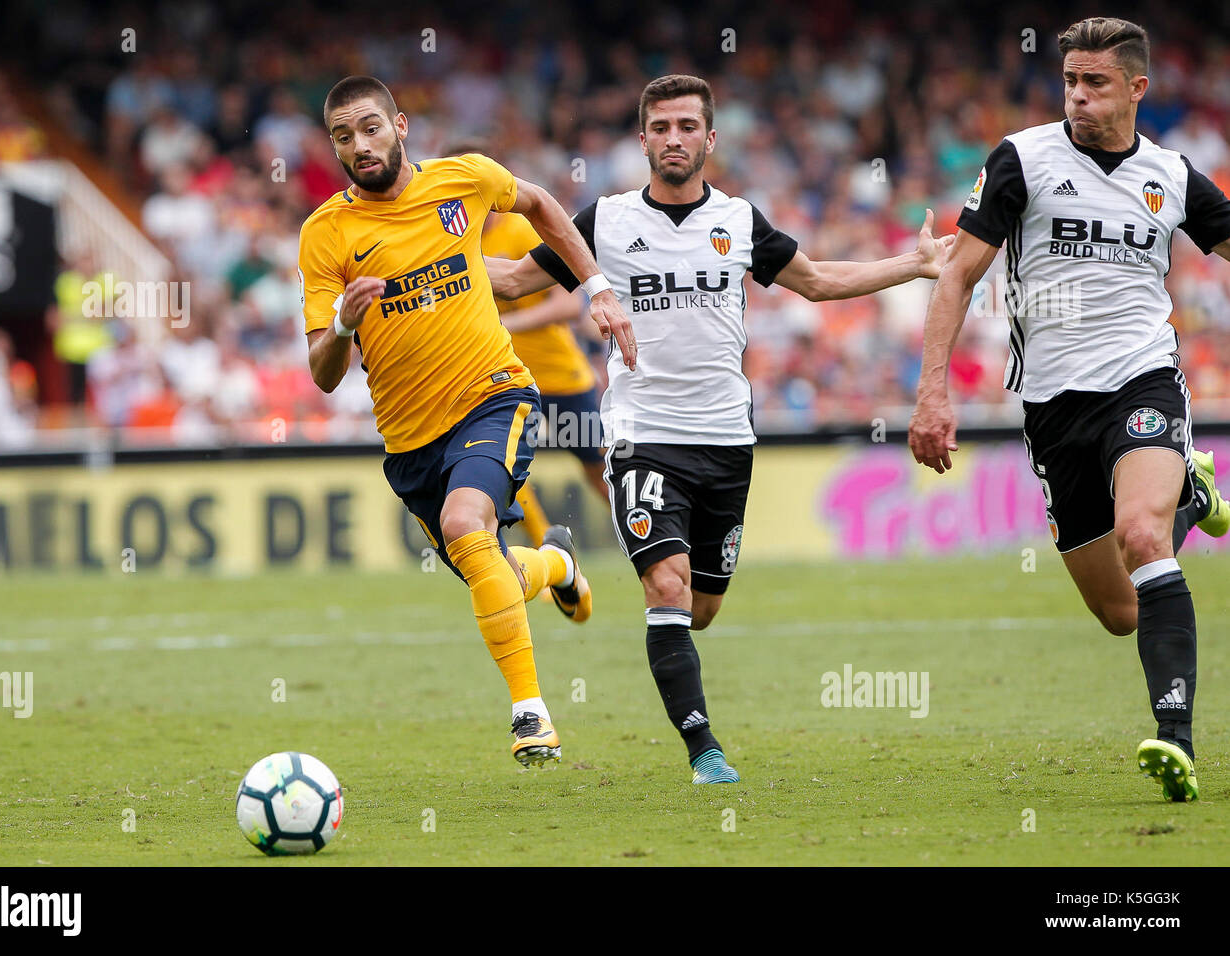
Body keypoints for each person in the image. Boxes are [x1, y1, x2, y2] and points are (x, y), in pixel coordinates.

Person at [489, 74, 952, 783]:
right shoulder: (605, 221)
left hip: (726, 442)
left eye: (686, 127)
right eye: (660, 127)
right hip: (642, 434)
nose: (673, 139)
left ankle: (680, 691)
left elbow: (819, 280)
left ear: (710, 138)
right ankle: (704, 750)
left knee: (700, 608)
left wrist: (914, 265)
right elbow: (515, 280)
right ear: (641, 138)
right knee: (666, 588)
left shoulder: (738, 220)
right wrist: (422, 261)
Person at [908, 17, 1230, 802]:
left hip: (1142, 381)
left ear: (1136, 90)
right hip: (1052, 405)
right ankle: (1193, 493)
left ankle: (1175, 735)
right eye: (1070, 82)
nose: (1078, 96)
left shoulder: (1173, 175)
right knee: (1120, 611)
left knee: (1141, 534)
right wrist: (932, 390)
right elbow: (958, 275)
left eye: (1095, 83)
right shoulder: (1023, 160)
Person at [300, 76, 637, 767]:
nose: (359, 145)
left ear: (399, 125)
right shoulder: (324, 234)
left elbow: (542, 204)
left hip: (495, 396)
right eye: (343, 136)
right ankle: (556, 564)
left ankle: (530, 717)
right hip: (408, 441)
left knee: (463, 525)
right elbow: (324, 372)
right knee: (497, 573)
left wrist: (598, 287)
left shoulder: (465, 180)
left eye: (370, 128)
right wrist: (342, 323)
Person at [446, 142, 607, 567]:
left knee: (598, 469)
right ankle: (545, 554)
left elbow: (570, 305)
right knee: (501, 468)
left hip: (561, 377)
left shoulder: (519, 231)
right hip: (501, 380)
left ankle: (646, 541)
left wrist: (505, 326)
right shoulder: (445, 243)